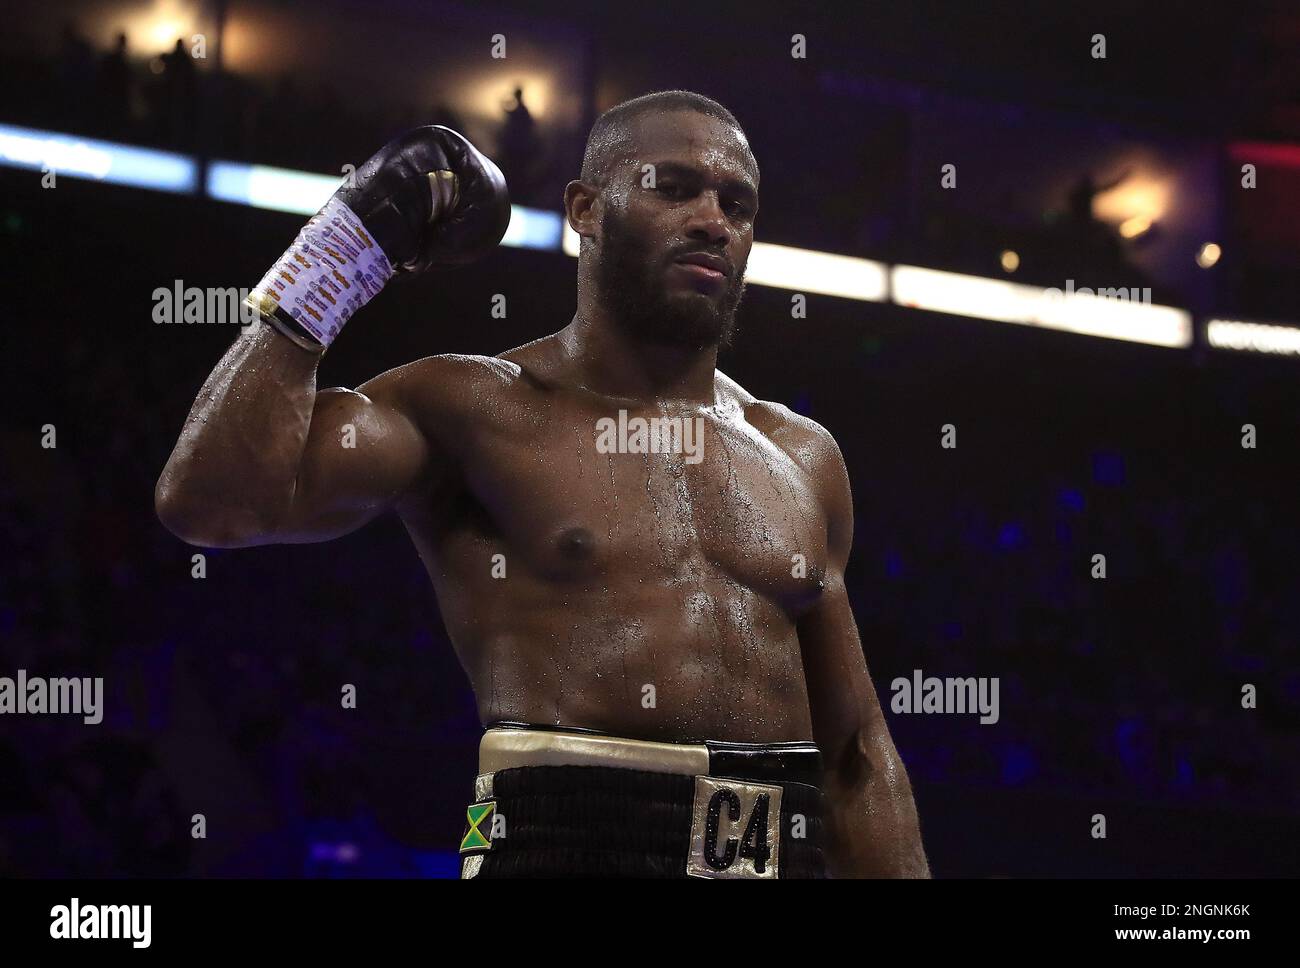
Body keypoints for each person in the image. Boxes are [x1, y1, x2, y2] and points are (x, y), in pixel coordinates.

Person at [156, 90, 929, 878]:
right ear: (585, 209)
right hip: (560, 845)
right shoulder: (473, 407)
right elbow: (214, 504)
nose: (713, 220)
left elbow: (857, 758)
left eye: (737, 203)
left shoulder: (800, 453)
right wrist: (336, 255)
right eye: (674, 187)